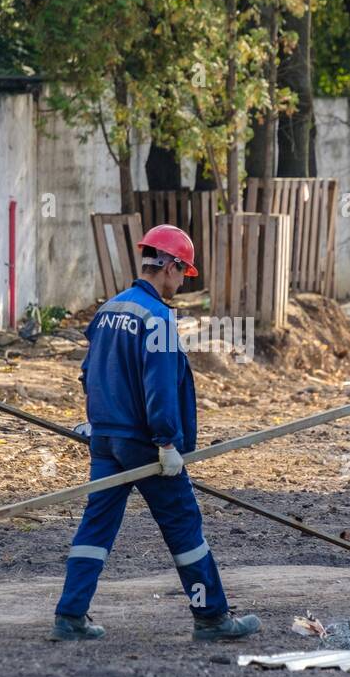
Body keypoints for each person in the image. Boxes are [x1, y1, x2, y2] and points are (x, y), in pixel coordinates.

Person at [50, 224, 261, 642]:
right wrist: (166, 442)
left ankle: (70, 616)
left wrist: (97, 421)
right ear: (170, 265)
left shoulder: (109, 309)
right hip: (145, 445)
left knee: (97, 526)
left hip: (106, 440)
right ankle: (212, 617)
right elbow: (160, 386)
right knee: (184, 526)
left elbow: (89, 373)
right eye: (183, 274)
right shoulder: (160, 318)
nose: (181, 283)